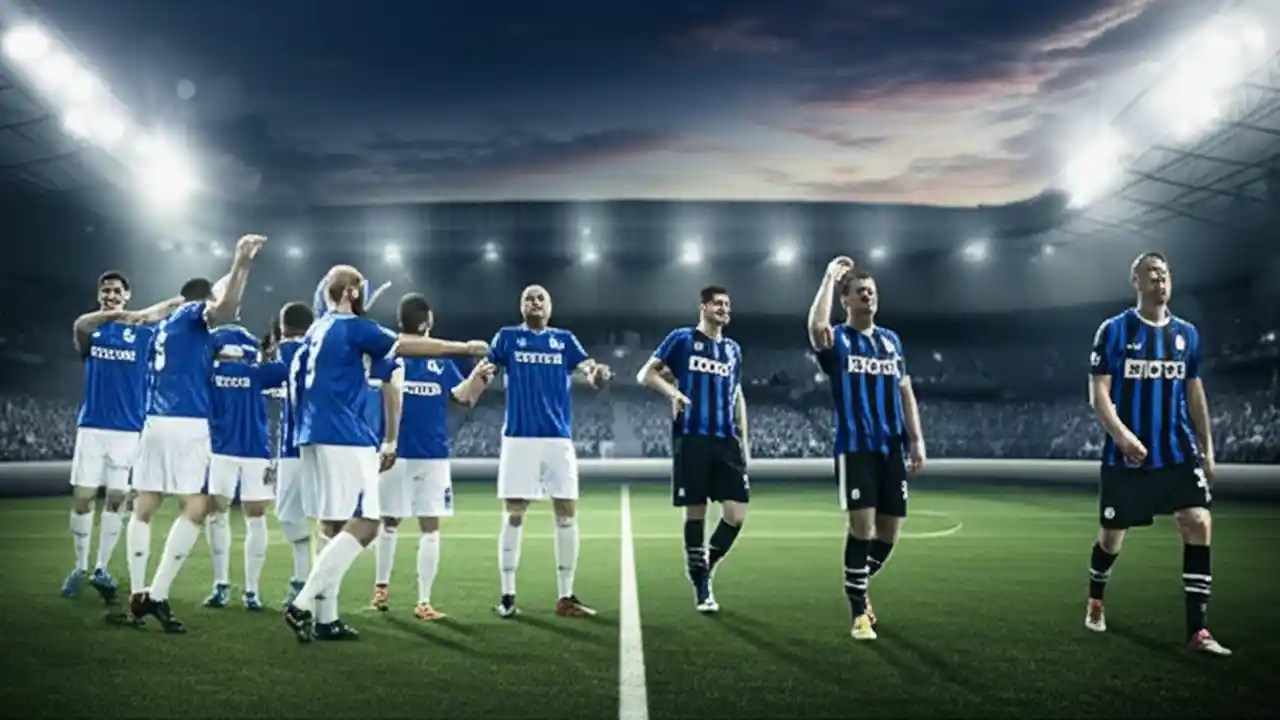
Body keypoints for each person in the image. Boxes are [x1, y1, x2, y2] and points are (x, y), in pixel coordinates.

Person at [282, 265, 489, 643]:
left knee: (332, 525)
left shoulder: (316, 330)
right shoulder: (355, 327)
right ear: (351, 293)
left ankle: (327, 620)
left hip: (310, 434)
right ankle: (303, 604)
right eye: (360, 288)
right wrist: (463, 347)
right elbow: (405, 344)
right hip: (345, 435)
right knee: (367, 523)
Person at [1085, 251, 1229, 655]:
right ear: (1136, 281)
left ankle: (1197, 631)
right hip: (1127, 457)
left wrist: (1208, 450)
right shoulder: (1113, 331)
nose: (1159, 280)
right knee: (1112, 538)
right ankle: (1096, 597)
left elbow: (1194, 392)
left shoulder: (1187, 335)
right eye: (1151, 274)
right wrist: (1121, 436)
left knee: (1198, 521)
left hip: (1177, 452)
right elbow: (1099, 392)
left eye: (1164, 274)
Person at [127, 234, 266, 633]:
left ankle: (137, 592)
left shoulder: (162, 329)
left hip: (153, 421)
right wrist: (241, 263)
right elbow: (226, 305)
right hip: (188, 423)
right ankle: (158, 594)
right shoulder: (194, 316)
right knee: (196, 507)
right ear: (200, 299)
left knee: (145, 504)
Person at [806, 257, 926, 641]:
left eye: (872, 292)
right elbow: (816, 327)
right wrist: (829, 277)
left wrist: (917, 438)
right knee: (862, 527)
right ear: (847, 300)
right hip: (856, 447)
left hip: (891, 449)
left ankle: (856, 581)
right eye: (860, 292)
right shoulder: (839, 339)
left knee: (888, 534)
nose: (868, 296)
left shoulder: (891, 341)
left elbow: (905, 390)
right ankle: (858, 611)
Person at [487, 284, 611, 619]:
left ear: (550, 306)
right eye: (528, 297)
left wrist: (597, 373)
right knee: (514, 513)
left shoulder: (564, 340)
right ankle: (508, 596)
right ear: (521, 306)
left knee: (567, 512)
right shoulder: (507, 338)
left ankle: (566, 596)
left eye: (541, 297)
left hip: (557, 437)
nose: (535, 301)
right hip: (519, 437)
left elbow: (589, 369)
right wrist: (470, 385)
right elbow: (487, 369)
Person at [371, 293, 495, 619]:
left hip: (396, 452)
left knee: (390, 522)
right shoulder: (413, 354)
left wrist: (480, 377)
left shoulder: (392, 353)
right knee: (428, 526)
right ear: (426, 322)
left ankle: (382, 589)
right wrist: (475, 366)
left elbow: (462, 396)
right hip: (426, 453)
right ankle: (421, 601)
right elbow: (463, 399)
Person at [63, 272, 181, 602]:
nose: (111, 294)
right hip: (92, 427)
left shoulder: (142, 334)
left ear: (127, 294)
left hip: (128, 431)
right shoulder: (93, 330)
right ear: (99, 294)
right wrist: (117, 314)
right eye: (106, 290)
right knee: (83, 498)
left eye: (117, 291)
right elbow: (78, 326)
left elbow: (161, 317)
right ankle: (79, 566)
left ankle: (100, 568)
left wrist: (176, 302)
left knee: (117, 499)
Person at [637, 285, 748, 614]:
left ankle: (703, 564)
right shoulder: (682, 339)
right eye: (717, 304)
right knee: (695, 512)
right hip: (693, 437)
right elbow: (646, 374)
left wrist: (745, 439)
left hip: (726, 439)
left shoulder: (733, 350)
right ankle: (702, 584)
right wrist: (674, 393)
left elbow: (735, 392)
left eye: (727, 305)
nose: (724, 310)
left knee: (736, 514)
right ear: (703, 307)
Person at [203, 325, 289, 611]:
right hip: (254, 451)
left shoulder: (209, 374)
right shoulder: (257, 373)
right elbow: (286, 367)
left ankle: (221, 585)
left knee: (218, 514)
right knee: (256, 517)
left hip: (221, 450)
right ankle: (251, 591)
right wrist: (270, 351)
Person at [270, 302, 316, 606]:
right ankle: (322, 591)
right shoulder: (320, 348)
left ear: (283, 329)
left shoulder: (287, 351)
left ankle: (303, 581)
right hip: (324, 444)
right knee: (330, 522)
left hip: (292, 448)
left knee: (291, 518)